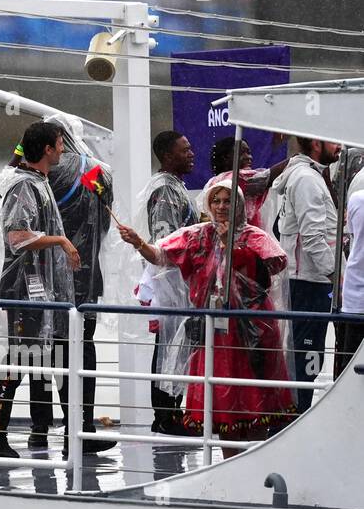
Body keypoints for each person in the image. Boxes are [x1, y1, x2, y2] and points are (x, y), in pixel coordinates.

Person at [119, 183, 295, 458]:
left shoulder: (254, 236)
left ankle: (257, 460)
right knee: (222, 397)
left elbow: (276, 264)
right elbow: (162, 255)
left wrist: (231, 248)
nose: (222, 207)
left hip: (252, 331)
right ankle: (229, 463)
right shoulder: (197, 236)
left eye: (228, 201)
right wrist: (138, 242)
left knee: (255, 398)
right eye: (217, 201)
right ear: (208, 205)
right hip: (216, 331)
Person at [0, 121, 114, 459]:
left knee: (57, 358)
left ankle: (71, 434)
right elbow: (18, 237)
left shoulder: (37, 180)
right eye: (59, 144)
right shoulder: (25, 185)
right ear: (47, 149)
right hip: (26, 291)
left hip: (42, 291)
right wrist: (63, 241)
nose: (64, 149)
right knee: (19, 360)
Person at [271, 136, 341, 412]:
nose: (339, 147)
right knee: (308, 352)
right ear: (315, 143)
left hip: (309, 279)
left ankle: (297, 412)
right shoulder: (307, 180)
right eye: (333, 142)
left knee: (307, 351)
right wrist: (336, 276)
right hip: (310, 281)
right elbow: (313, 238)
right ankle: (298, 415)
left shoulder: (308, 175)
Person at [138, 130, 197, 434]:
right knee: (168, 347)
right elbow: (165, 242)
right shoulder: (164, 191)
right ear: (167, 156)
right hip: (171, 280)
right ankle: (164, 415)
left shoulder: (177, 187)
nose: (191, 154)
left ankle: (172, 409)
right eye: (184, 150)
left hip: (181, 280)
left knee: (179, 346)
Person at [205, 136, 289, 230]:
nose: (249, 157)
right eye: (242, 153)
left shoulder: (214, 181)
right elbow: (266, 178)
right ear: (226, 158)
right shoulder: (234, 179)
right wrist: (295, 160)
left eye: (249, 153)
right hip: (241, 240)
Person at [337, 183, 364, 379]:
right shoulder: (357, 198)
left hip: (355, 295)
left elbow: (353, 235)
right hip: (356, 297)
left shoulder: (357, 198)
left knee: (350, 373)